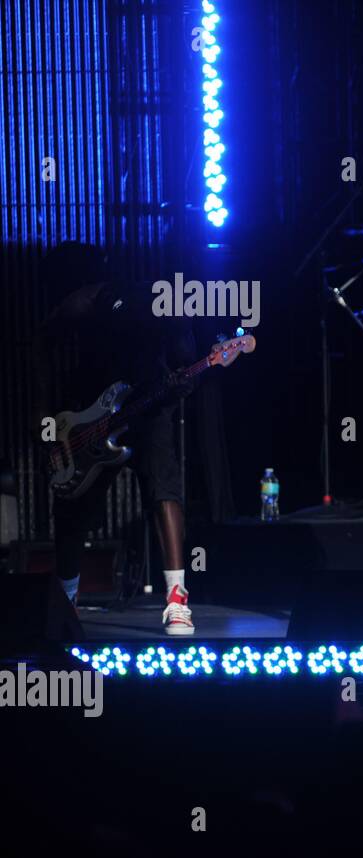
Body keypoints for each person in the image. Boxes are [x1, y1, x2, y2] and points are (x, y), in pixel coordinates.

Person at [37, 242, 196, 635]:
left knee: (164, 489)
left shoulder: (161, 304)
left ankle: (177, 599)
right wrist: (49, 424)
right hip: (94, 414)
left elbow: (185, 358)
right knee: (73, 505)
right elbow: (45, 347)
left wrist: (181, 380)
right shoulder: (85, 302)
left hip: (148, 408)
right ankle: (65, 601)